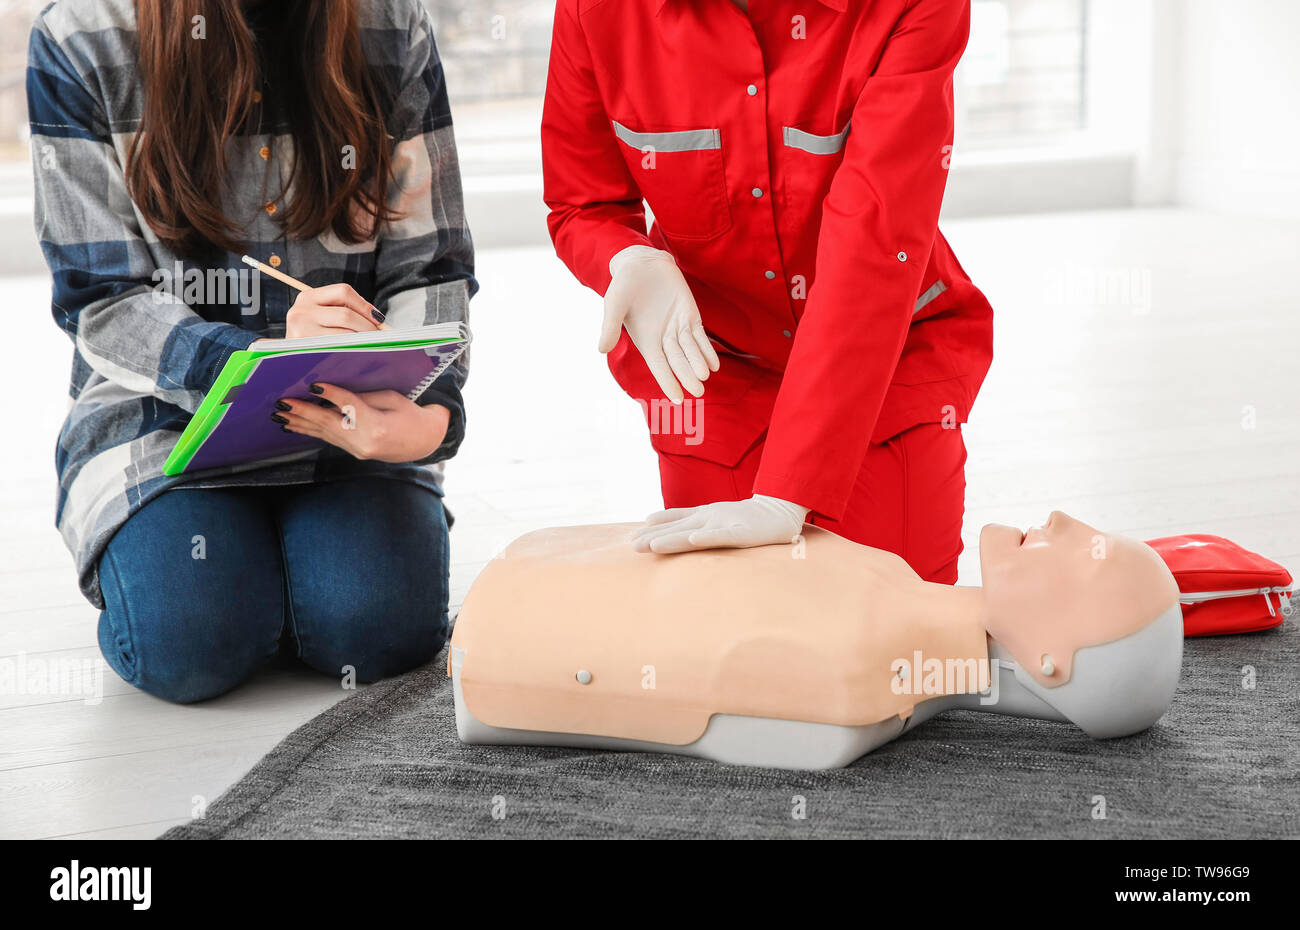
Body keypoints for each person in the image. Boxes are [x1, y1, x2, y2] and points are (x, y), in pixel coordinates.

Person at [27, 0, 473, 702]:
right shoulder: (82, 33)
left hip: (347, 419)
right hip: (159, 414)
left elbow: (431, 268)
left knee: (379, 630)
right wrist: (251, 361)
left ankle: (286, 575)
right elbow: (101, 301)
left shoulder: (391, 23)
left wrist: (429, 412)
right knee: (192, 642)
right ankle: (247, 574)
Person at [542, 0, 994, 582]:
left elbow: (874, 240)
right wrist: (625, 256)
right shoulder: (597, 11)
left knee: (901, 624)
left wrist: (788, 491)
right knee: (732, 627)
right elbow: (584, 202)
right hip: (716, 366)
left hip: (888, 362)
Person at [450, 512, 1184, 769]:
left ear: (1050, 664)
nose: (1061, 519)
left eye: (1088, 555)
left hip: (507, 629)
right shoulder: (887, 588)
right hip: (538, 583)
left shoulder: (854, 674)